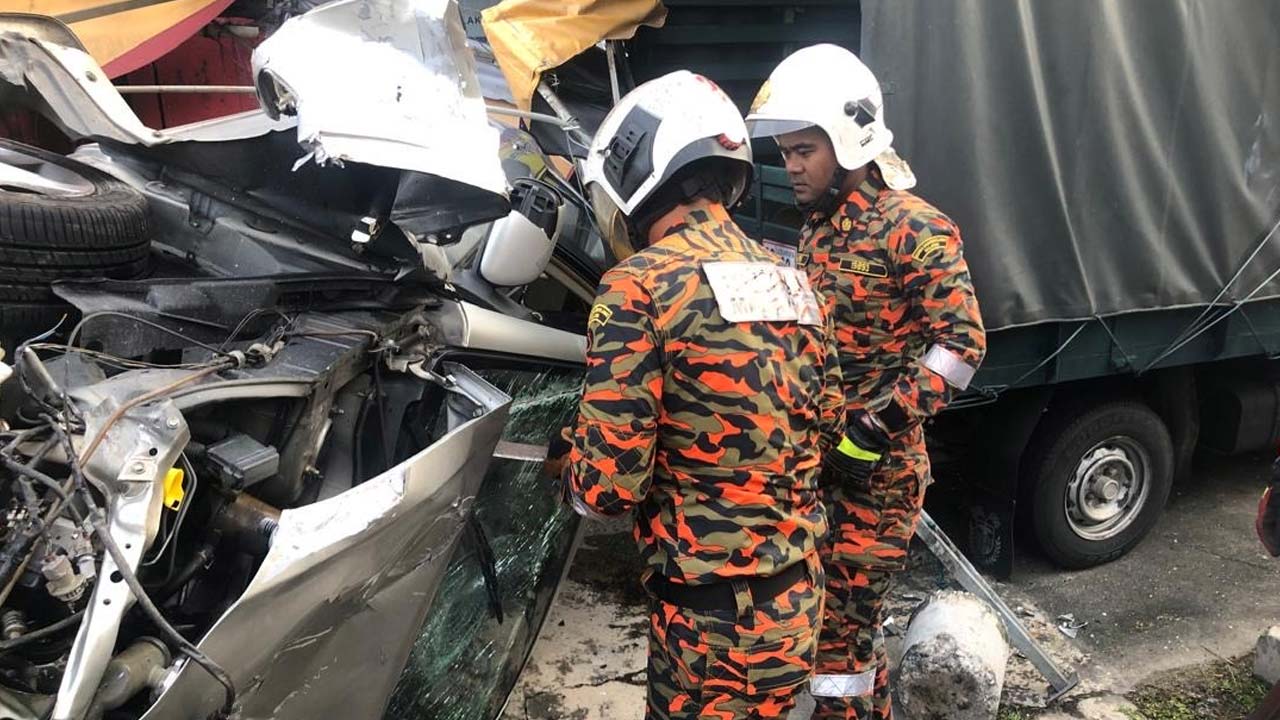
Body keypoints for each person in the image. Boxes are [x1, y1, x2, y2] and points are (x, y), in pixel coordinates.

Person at [546, 69, 846, 720]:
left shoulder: (639, 286)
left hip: (711, 632)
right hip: (797, 604)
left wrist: (566, 464)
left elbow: (606, 491)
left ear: (638, 171)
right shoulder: (793, 281)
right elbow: (826, 428)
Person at [747, 44, 987, 719]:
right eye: (787, 151)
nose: (790, 165)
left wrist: (882, 420)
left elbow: (963, 344)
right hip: (822, 471)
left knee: (839, 645)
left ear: (848, 142)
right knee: (838, 640)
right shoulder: (819, 229)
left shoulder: (912, 229)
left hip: (877, 483)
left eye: (803, 151)